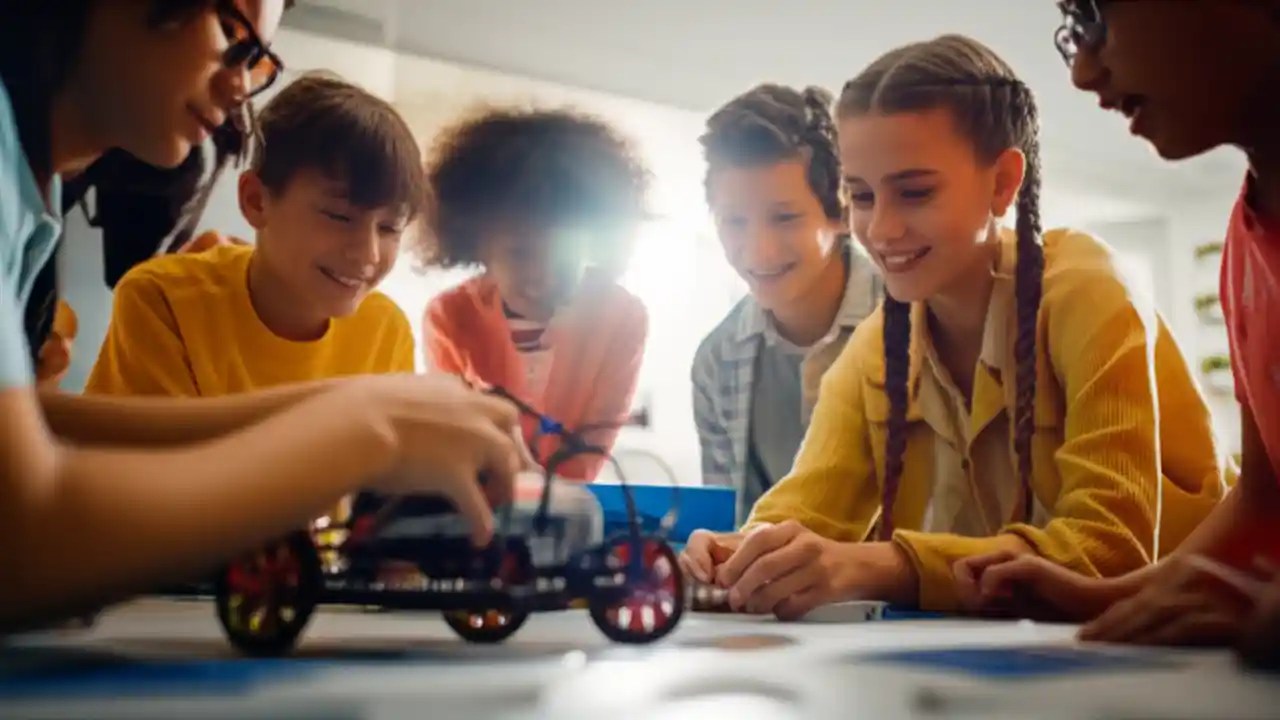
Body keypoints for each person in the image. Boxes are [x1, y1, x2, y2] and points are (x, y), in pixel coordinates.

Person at [0, 0, 521, 632]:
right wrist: (365, 427)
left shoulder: (31, 197)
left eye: (258, 59)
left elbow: (40, 427)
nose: (240, 84)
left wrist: (360, 415)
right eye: (231, 32)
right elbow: (24, 534)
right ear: (255, 202)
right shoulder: (153, 285)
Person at [678, 34, 1228, 619]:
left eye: (914, 192)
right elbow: (800, 513)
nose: (882, 229)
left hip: (1206, 635)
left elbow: (1110, 550)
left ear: (1002, 183)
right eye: (861, 196)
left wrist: (884, 565)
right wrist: (734, 554)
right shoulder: (876, 351)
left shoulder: (1087, 292)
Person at [959, 1, 1280, 656]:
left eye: (1097, 16)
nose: (1081, 71)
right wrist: (1106, 596)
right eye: (1075, 33)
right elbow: (1264, 501)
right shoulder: (1245, 244)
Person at [87, 73, 418, 400]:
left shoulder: (387, 332)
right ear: (256, 201)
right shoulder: (164, 303)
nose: (369, 254)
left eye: (389, 228)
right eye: (340, 216)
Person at [418, 108, 651, 481]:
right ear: (480, 246)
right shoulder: (449, 317)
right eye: (519, 253)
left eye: (561, 254)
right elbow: (458, 439)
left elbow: (592, 447)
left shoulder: (623, 317)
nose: (541, 277)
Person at [693, 84, 882, 524]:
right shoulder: (716, 360)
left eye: (785, 218)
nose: (758, 251)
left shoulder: (917, 322)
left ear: (840, 214)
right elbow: (731, 523)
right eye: (733, 221)